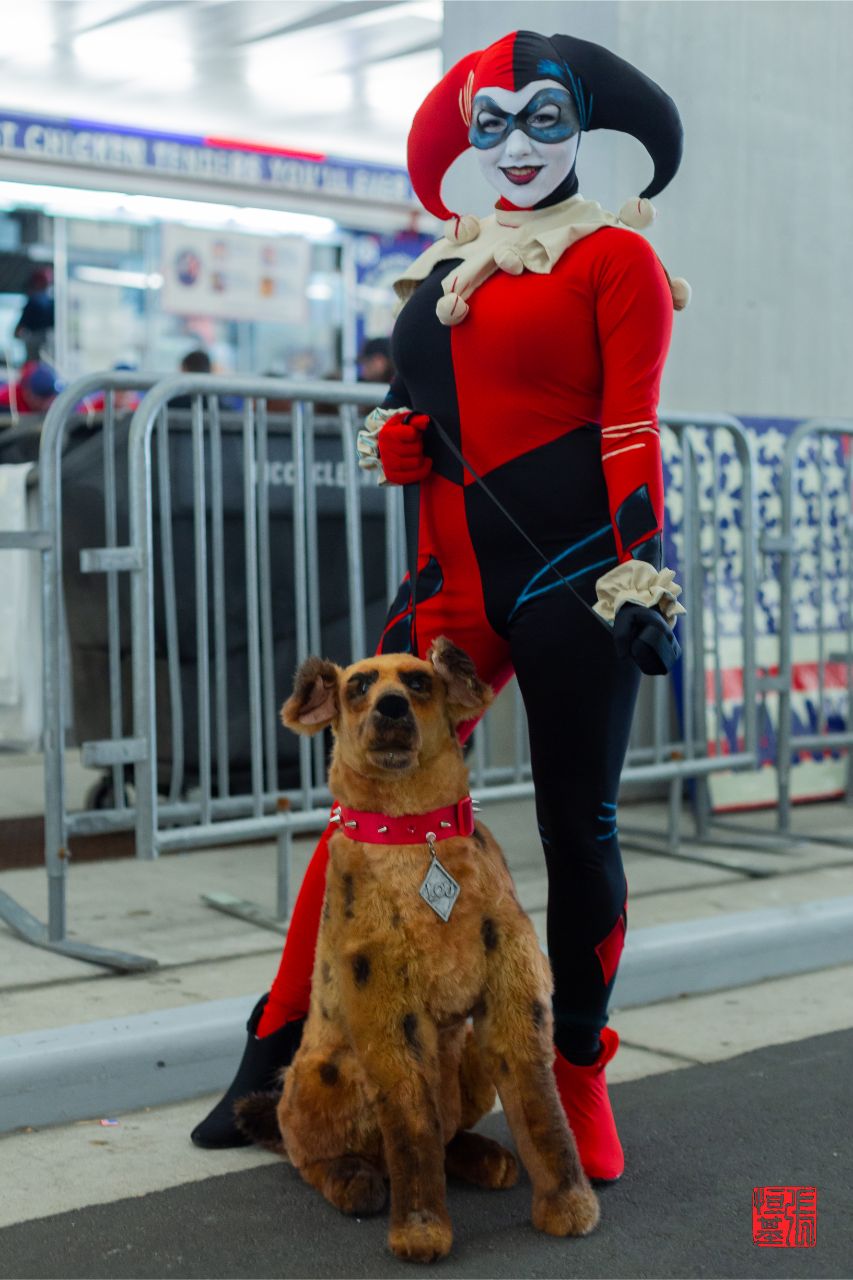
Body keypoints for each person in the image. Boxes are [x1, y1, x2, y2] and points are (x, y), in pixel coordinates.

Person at [192, 28, 688, 1183]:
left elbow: (629, 425)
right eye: (492, 123)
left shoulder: (613, 257)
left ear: (582, 123)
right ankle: (276, 1042)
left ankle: (574, 1064)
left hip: (577, 581)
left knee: (579, 826)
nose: (517, 144)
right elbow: (410, 407)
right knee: (358, 817)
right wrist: (404, 439)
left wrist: (640, 572)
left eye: (544, 118)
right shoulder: (443, 268)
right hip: (449, 585)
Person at [14, 268, 54, 361]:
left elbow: (17, 332)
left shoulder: (34, 302)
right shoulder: (53, 303)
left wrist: (25, 336)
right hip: (51, 350)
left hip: (36, 349)